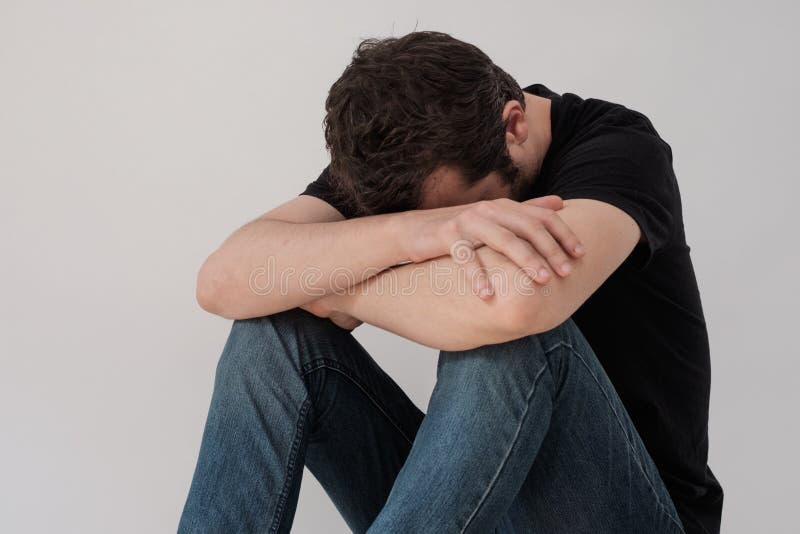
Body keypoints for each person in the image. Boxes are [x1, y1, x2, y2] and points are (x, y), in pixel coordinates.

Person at [178, 31, 723, 534]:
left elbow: (515, 305)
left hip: (629, 513)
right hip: (469, 505)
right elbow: (222, 279)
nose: (458, 232)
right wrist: (418, 232)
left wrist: (333, 283)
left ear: (514, 126)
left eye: (465, 214)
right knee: (272, 334)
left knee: (515, 340)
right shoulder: (402, 162)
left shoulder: (618, 148)